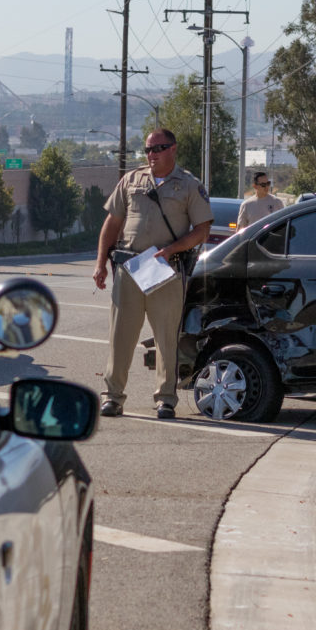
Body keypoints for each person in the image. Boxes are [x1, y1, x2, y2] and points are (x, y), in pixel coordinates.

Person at [92, 128, 212, 420]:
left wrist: (173, 249)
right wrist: (100, 262)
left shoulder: (188, 185)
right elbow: (112, 222)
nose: (151, 154)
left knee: (166, 339)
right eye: (147, 149)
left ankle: (165, 399)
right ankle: (112, 396)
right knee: (120, 337)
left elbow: (202, 229)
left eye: (158, 148)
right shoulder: (132, 180)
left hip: (165, 271)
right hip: (130, 268)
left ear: (173, 149)